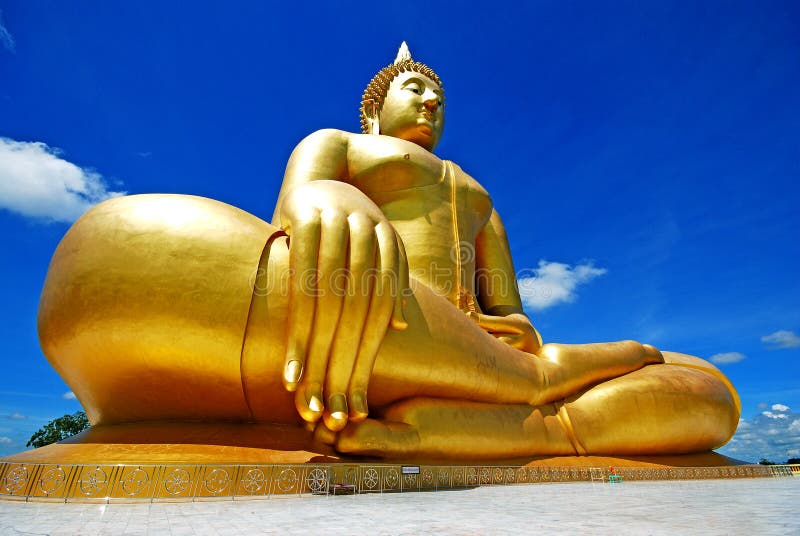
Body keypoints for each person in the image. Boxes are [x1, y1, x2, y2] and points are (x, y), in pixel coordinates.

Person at [38, 43, 739, 459]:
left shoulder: (479, 195)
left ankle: (540, 429)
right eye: (415, 89)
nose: (430, 101)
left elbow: (508, 310)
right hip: (356, 318)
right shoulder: (340, 144)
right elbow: (296, 212)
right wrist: (329, 199)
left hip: (464, 352)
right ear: (374, 109)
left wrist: (516, 336)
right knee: (118, 252)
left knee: (706, 389)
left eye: (438, 94)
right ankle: (521, 408)